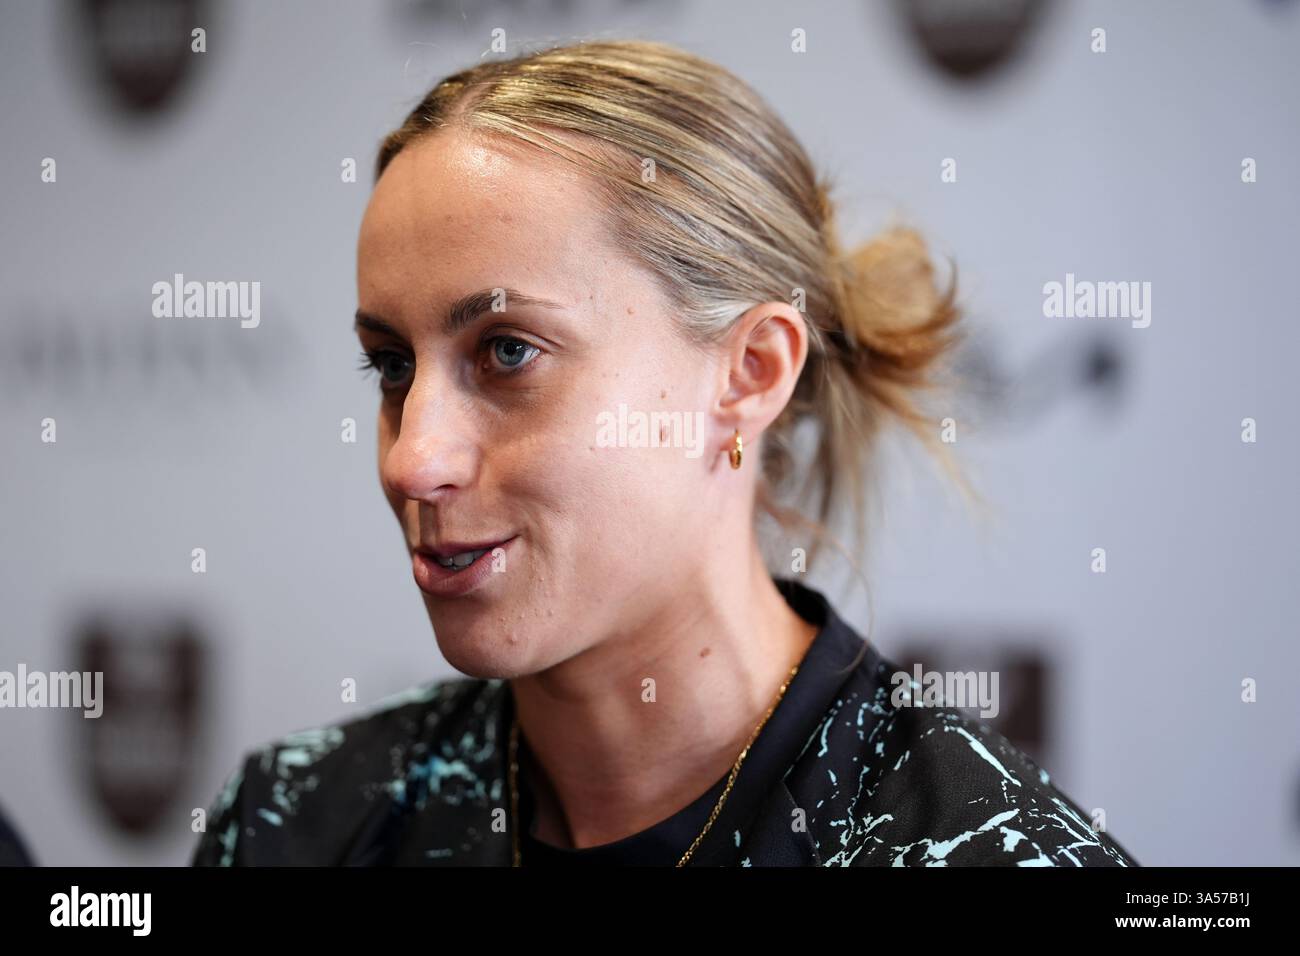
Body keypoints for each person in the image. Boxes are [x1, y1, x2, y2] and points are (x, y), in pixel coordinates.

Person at [192, 39, 1134, 867]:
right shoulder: (296, 823)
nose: (413, 461)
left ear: (749, 374)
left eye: (508, 352)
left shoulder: (981, 848)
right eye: (392, 366)